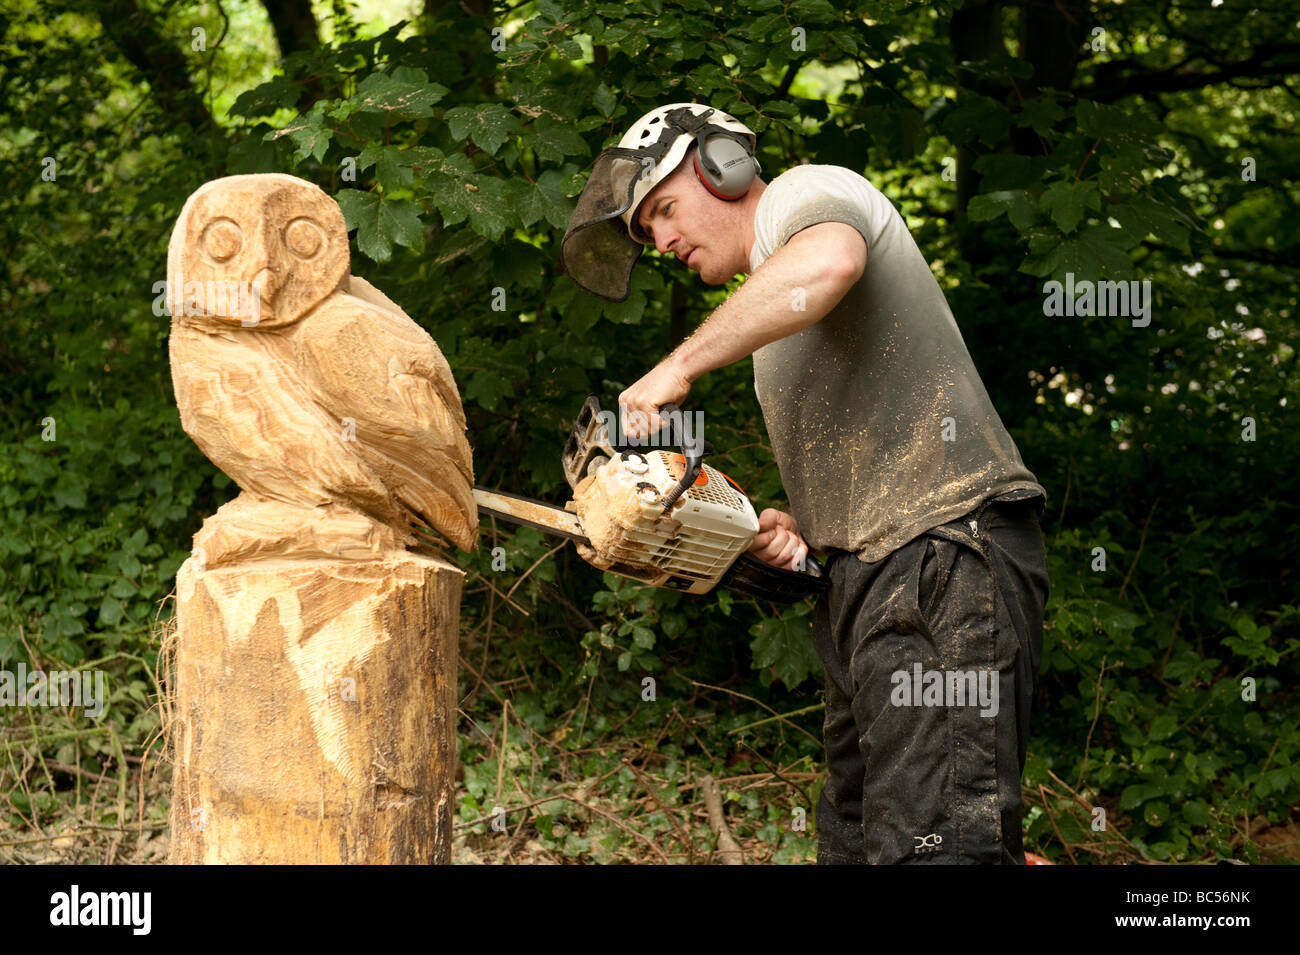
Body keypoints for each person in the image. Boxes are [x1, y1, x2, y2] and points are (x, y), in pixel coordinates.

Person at [559, 102, 1050, 864]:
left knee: (940, 845)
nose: (661, 239)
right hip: (866, 588)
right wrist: (794, 529)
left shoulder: (805, 194)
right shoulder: (769, 333)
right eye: (647, 230)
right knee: (857, 842)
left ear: (721, 167)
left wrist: (677, 366)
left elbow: (829, 264)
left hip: (945, 556)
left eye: (663, 208)